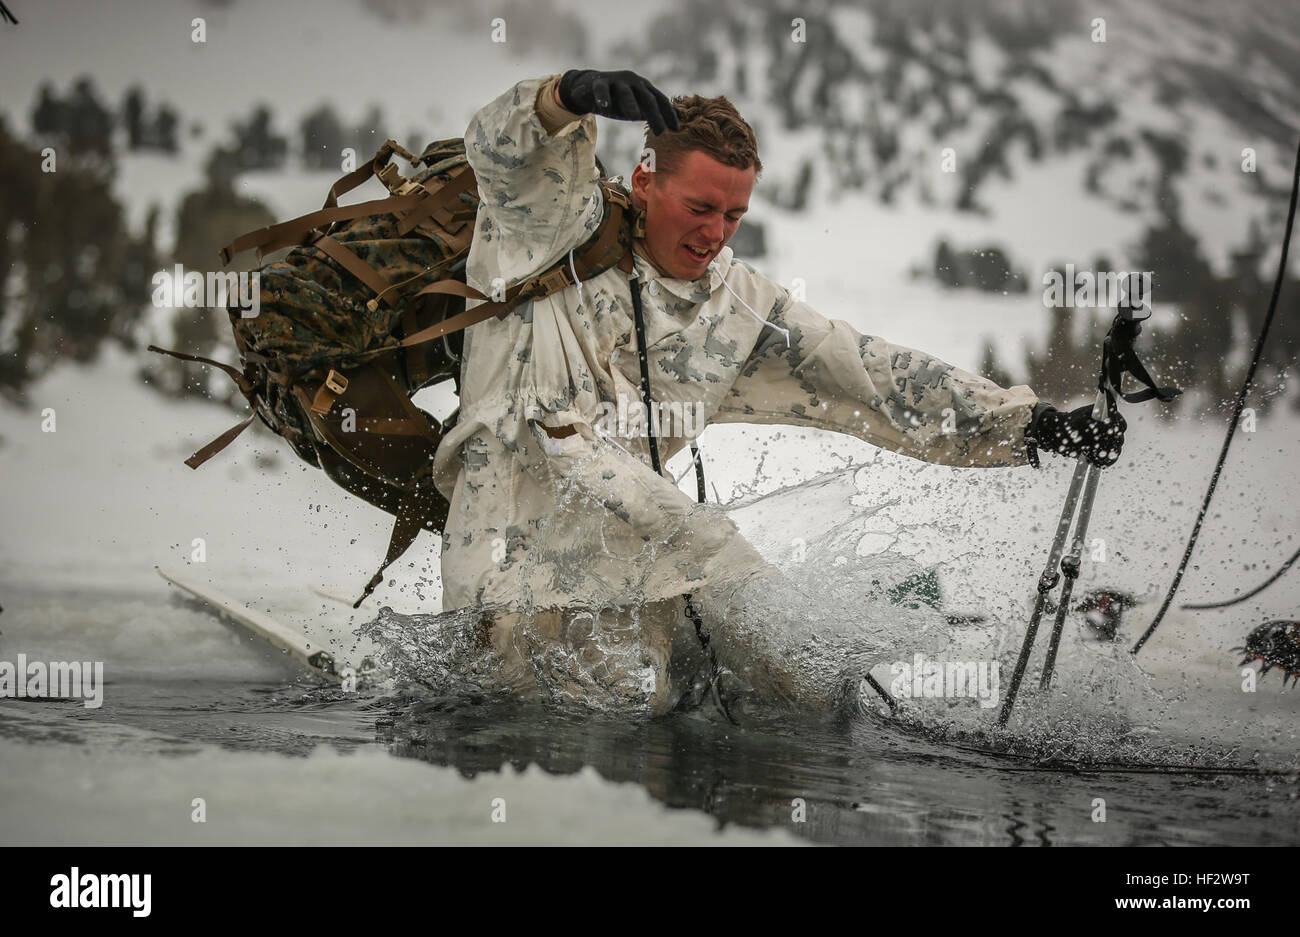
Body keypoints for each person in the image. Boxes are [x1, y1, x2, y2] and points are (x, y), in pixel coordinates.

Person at [429, 69, 1125, 717]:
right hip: (506, 553)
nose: (713, 233)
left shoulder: (735, 305)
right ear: (645, 180)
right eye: (700, 207)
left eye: (733, 215)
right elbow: (502, 149)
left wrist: (1031, 426)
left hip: (633, 561)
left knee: (683, 726)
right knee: (507, 734)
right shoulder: (547, 229)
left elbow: (867, 372)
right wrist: (564, 94)